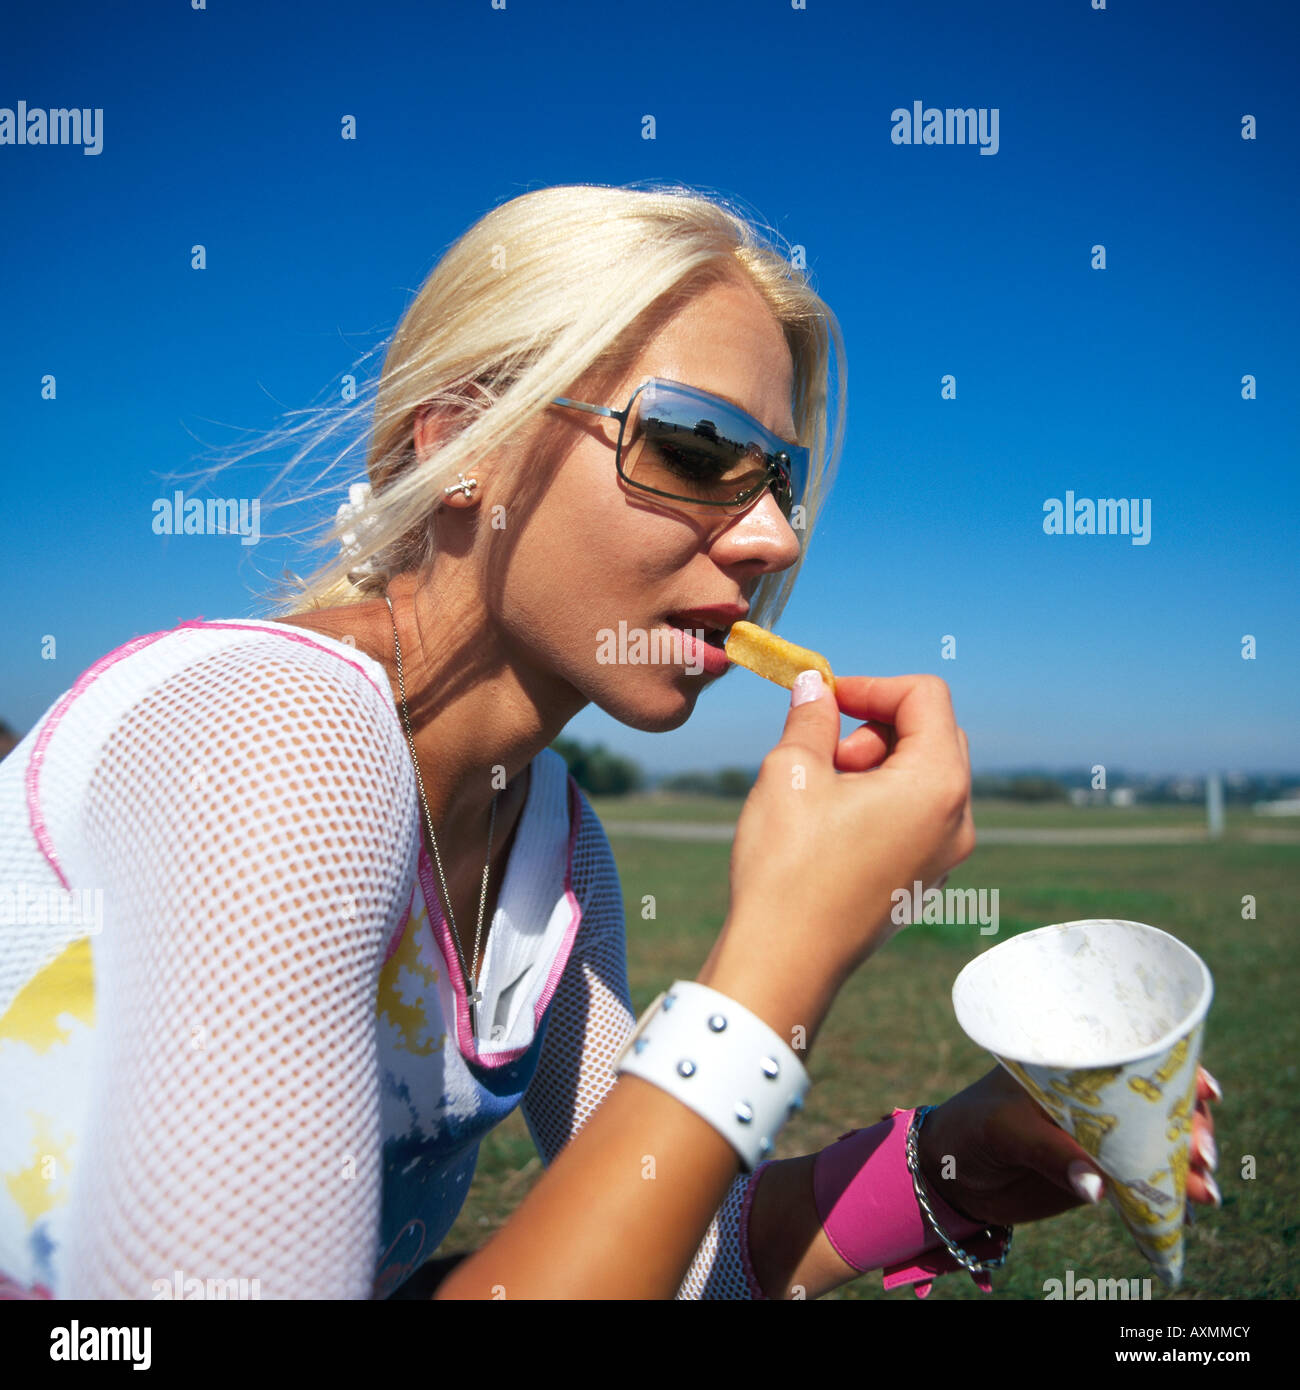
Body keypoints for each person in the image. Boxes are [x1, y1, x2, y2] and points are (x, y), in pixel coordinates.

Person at [0, 183, 1220, 1301]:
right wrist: (779, 954)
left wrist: (950, 1163)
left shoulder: (554, 842)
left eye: (780, 481)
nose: (773, 539)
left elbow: (671, 1253)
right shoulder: (282, 733)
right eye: (694, 450)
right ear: (462, 447)